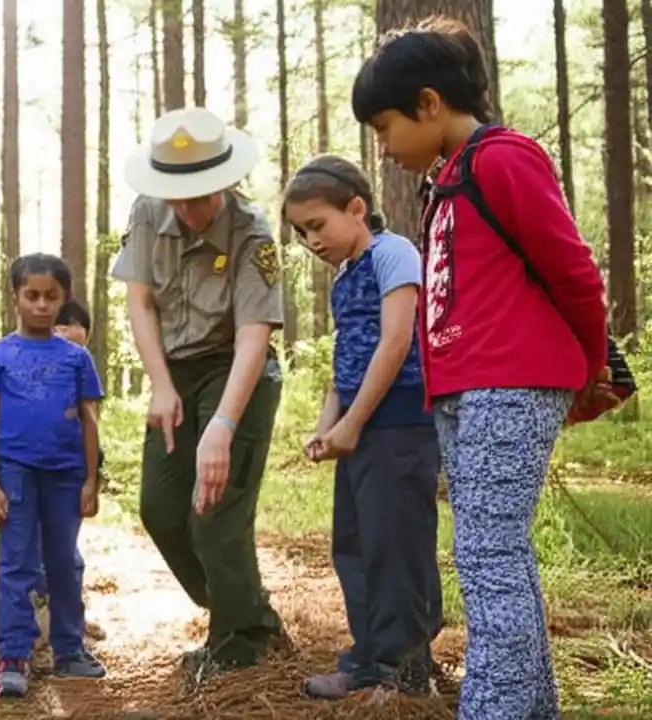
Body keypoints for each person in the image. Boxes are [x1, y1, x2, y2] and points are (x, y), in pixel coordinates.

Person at [353, 17, 612, 719]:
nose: (383, 148)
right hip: (466, 391)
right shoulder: (449, 182)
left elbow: (575, 272)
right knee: (497, 556)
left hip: (513, 382)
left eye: (385, 127)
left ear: (429, 103)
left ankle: (491, 708)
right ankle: (533, 709)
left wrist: (589, 366)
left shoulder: (503, 159)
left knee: (488, 555)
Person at [112, 106, 287, 678]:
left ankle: (237, 649)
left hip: (236, 371)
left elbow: (253, 338)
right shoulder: (145, 212)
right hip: (175, 370)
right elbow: (139, 300)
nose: (190, 209)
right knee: (162, 511)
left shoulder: (251, 233)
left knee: (214, 513)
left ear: (227, 179)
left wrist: (223, 425)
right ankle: (249, 614)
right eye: (179, 196)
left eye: (203, 194)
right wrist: (160, 386)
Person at [283, 155, 443, 699]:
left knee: (397, 545)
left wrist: (354, 422)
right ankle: (373, 658)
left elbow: (396, 342)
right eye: (302, 233)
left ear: (357, 208)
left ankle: (406, 670)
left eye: (318, 226)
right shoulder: (345, 278)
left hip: (398, 426)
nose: (311, 241)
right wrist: (330, 427)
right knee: (356, 545)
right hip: (360, 428)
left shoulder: (392, 255)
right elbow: (345, 362)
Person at [0, 255, 107, 698]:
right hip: (14, 470)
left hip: (67, 473)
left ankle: (70, 648)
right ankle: (12, 655)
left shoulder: (76, 357)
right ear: (15, 297)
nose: (42, 305)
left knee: (64, 561)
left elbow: (89, 418)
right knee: (17, 562)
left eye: (51, 297)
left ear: (64, 298)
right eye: (32, 296)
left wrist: (91, 479)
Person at [30, 299, 108, 644]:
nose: (65, 331)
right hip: (30, 475)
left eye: (75, 326)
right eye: (60, 326)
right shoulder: (28, 368)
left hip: (72, 474)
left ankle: (69, 628)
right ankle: (33, 630)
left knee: (65, 553)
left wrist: (93, 478)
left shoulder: (83, 372)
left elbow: (91, 429)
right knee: (31, 554)